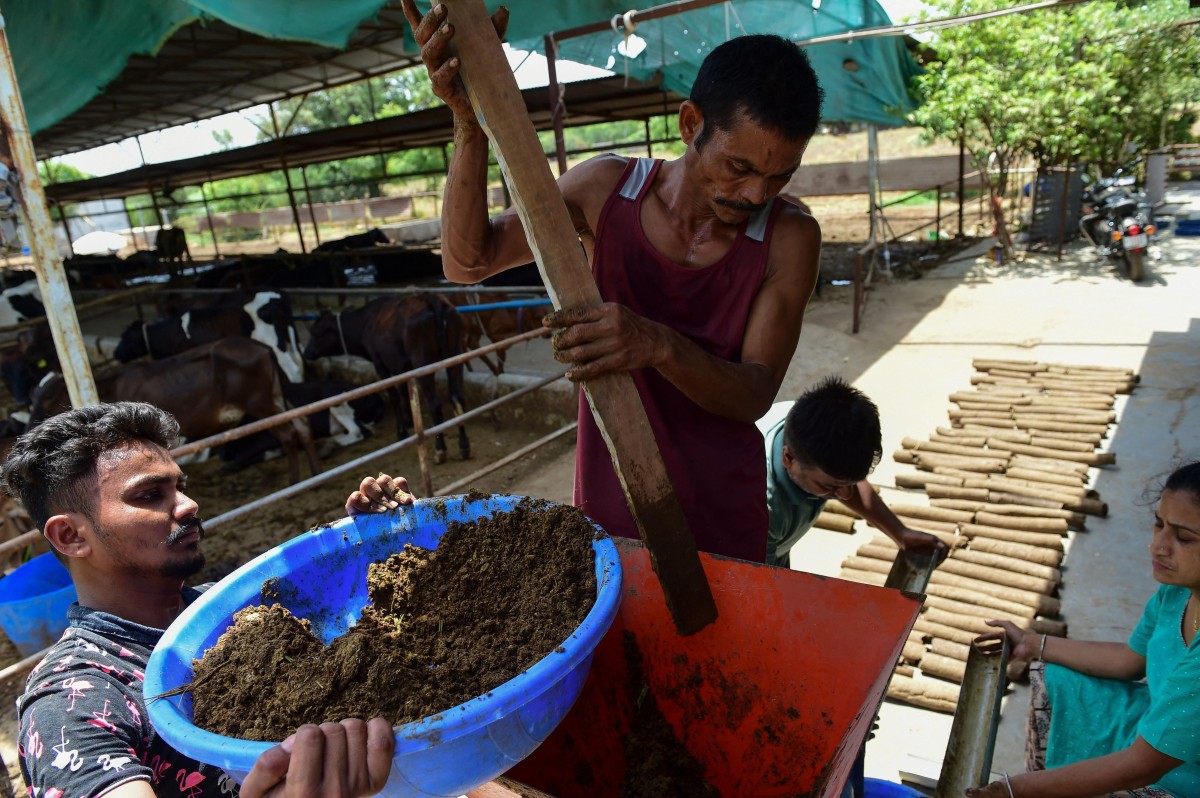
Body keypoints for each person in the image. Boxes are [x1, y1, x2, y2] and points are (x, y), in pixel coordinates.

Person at [400, 2, 824, 562]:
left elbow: (754, 394)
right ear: (691, 124)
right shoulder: (606, 190)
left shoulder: (789, 236)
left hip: (725, 513)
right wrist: (468, 122)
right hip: (613, 504)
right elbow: (468, 262)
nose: (755, 194)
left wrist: (657, 344)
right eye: (739, 168)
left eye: (779, 176)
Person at [0, 402, 414, 798]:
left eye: (179, 487)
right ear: (71, 536)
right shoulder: (75, 703)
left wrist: (378, 550)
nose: (188, 505)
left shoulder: (239, 612)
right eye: (150, 494)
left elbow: (352, 625)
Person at [967, 461, 1200, 798]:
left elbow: (1142, 766)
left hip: (1178, 775)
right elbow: (1129, 660)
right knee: (1056, 678)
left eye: (1184, 538)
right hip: (1157, 730)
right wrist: (1032, 643)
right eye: (1158, 524)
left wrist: (1014, 790)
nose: (1158, 547)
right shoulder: (1178, 591)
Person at [757, 376, 948, 568]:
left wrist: (900, 533)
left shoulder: (812, 423)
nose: (845, 495)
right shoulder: (761, 511)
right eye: (829, 487)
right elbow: (758, 579)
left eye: (851, 483)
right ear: (788, 458)